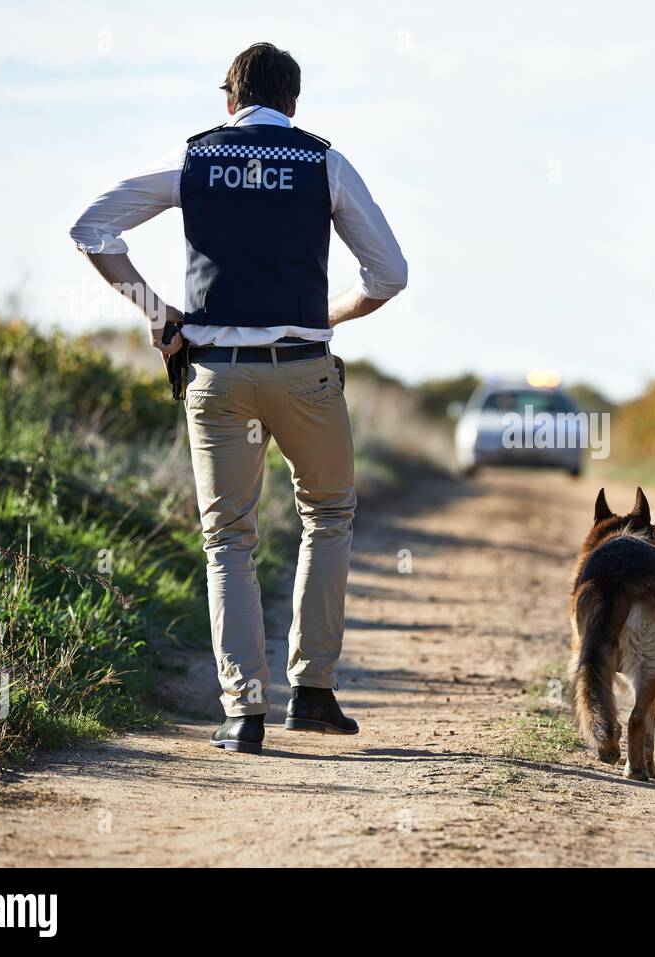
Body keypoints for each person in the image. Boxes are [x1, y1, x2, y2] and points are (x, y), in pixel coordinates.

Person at [69, 42, 408, 754]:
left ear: (229, 101)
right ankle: (312, 692)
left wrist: (156, 310)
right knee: (329, 515)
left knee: (229, 540)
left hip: (216, 376)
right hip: (306, 372)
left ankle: (242, 710)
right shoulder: (324, 161)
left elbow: (91, 229)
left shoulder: (194, 159)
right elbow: (390, 274)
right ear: (293, 103)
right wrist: (330, 315)